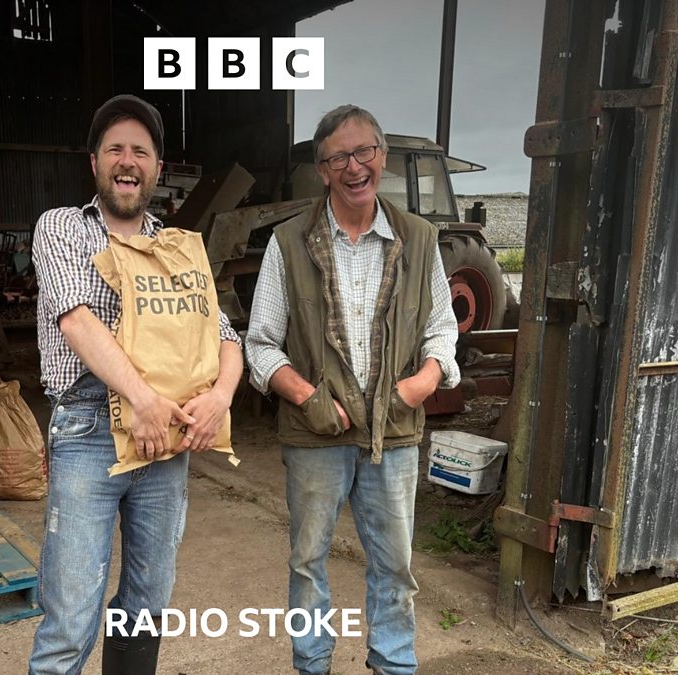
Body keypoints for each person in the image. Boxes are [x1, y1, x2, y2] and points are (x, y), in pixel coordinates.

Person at [28, 94, 244, 675]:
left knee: (147, 605)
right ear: (93, 162)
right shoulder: (62, 229)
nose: (128, 161)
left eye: (141, 152)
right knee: (72, 615)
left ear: (156, 169)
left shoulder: (174, 248)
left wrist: (219, 398)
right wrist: (142, 399)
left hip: (166, 440)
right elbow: (74, 317)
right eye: (116, 149)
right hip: (88, 430)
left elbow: (225, 334)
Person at [245, 104, 460, 675]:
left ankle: (393, 666)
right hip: (317, 435)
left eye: (364, 151)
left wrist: (419, 385)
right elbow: (260, 344)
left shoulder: (419, 238)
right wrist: (308, 398)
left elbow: (442, 327)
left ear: (381, 158)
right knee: (308, 561)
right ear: (322, 169)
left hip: (395, 432)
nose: (354, 166)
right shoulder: (288, 243)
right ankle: (311, 665)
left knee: (395, 566)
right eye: (339, 157)